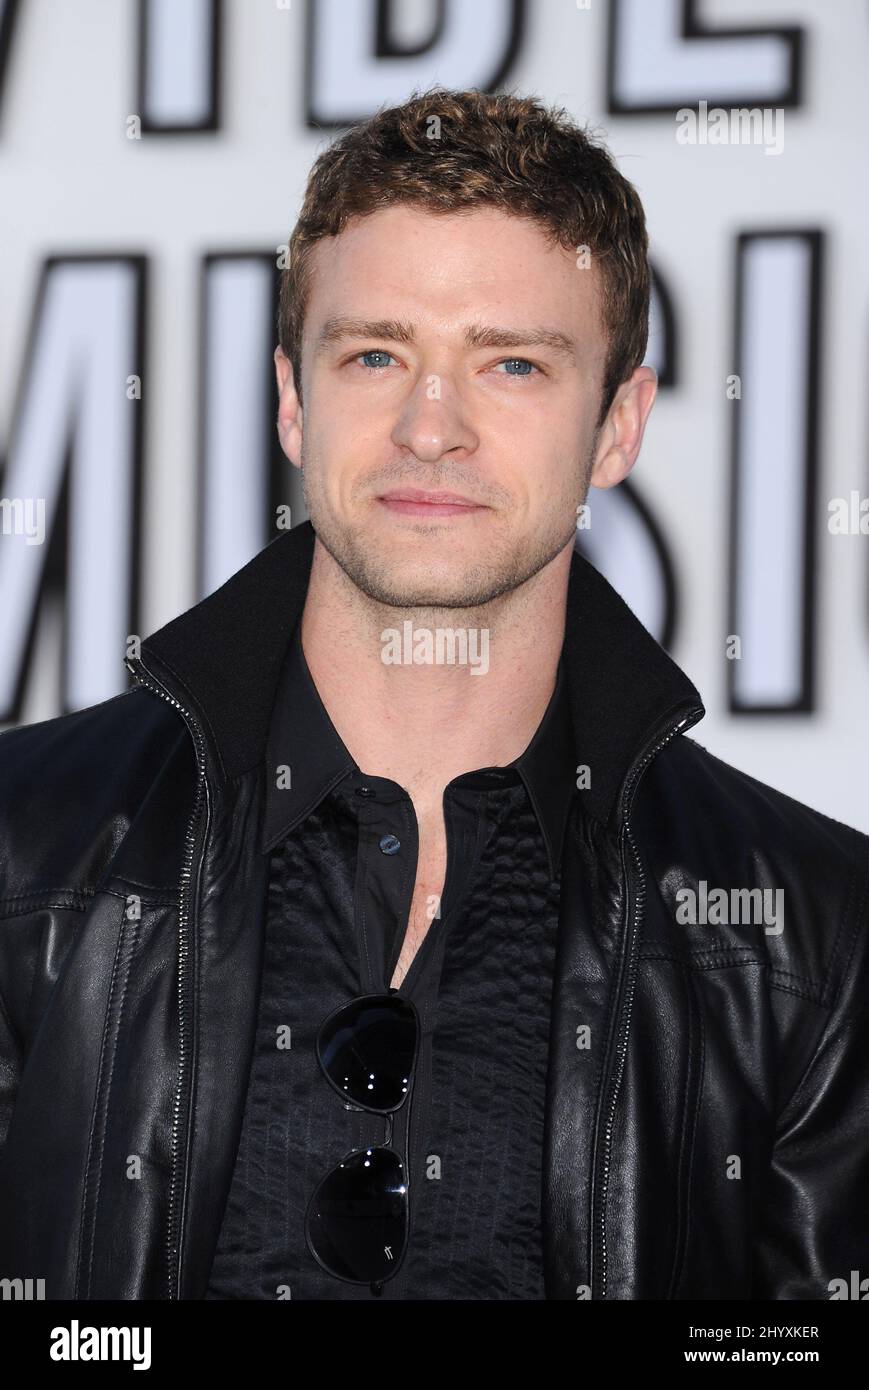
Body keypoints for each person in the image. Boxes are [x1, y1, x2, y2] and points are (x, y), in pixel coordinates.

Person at [0, 87, 867, 1302]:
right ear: (293, 402)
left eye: (509, 361)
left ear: (618, 422)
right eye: (375, 354)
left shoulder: (807, 936)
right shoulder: (26, 856)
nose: (429, 426)